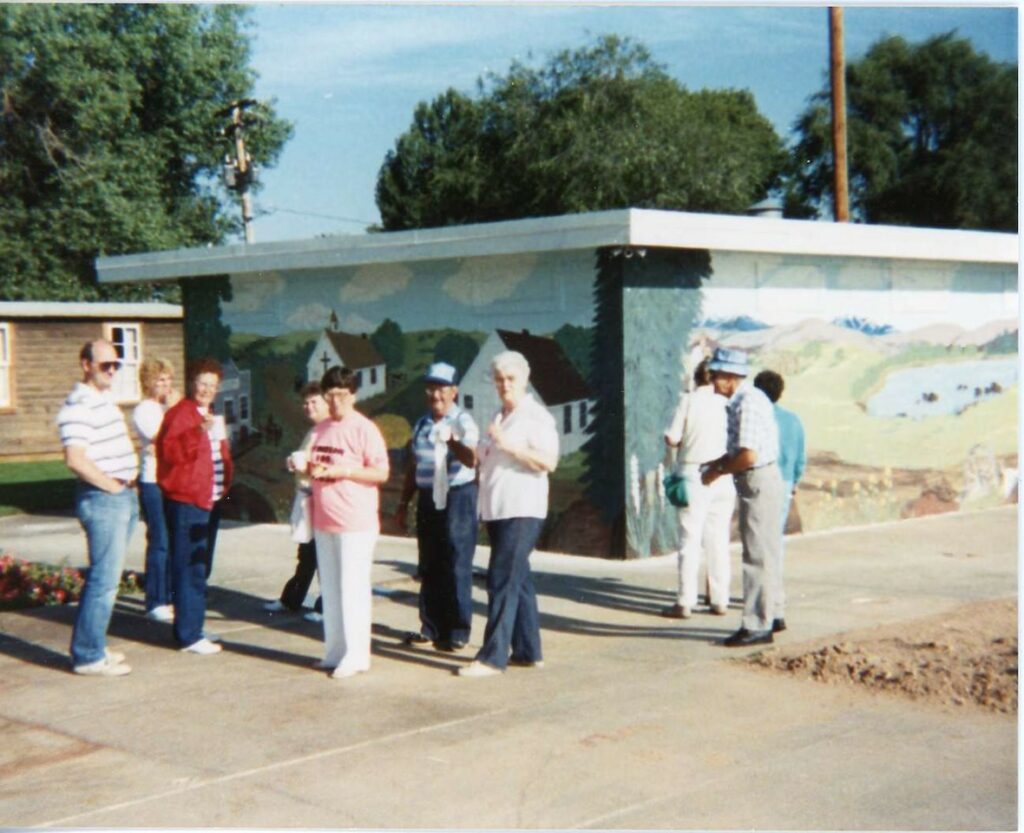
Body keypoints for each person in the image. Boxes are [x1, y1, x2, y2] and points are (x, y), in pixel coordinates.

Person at [459, 350, 558, 678]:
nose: (505, 385)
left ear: (525, 379)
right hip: (498, 509)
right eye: (499, 379)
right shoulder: (499, 417)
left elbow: (548, 461)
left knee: (501, 578)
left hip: (523, 508)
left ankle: (491, 657)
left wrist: (508, 446)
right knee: (519, 579)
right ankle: (529, 651)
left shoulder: (536, 417)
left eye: (511, 378)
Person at [58, 340, 140, 677]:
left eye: (115, 364)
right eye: (105, 364)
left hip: (121, 496)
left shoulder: (102, 400)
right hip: (104, 499)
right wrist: (111, 486)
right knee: (104, 580)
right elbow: (75, 459)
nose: (111, 370)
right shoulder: (78, 406)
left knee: (108, 578)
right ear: (86, 365)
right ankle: (89, 656)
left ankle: (93, 644)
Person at [306, 366, 389, 679]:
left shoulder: (364, 428)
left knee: (352, 588)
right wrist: (303, 465)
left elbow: (381, 473)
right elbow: (313, 462)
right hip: (324, 518)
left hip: (355, 521)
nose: (336, 401)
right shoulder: (320, 429)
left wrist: (343, 472)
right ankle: (335, 651)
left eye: (341, 395)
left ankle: (357, 656)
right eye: (330, 395)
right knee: (330, 588)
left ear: (353, 395)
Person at [701, 347, 782, 648]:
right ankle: (773, 613)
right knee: (768, 552)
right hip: (765, 479)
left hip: (756, 480)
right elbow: (743, 450)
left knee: (757, 555)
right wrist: (719, 463)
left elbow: (748, 456)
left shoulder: (746, 403)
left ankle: (758, 624)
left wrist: (718, 470)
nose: (712, 382)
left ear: (731, 377)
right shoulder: (751, 399)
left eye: (716, 375)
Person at [396, 362, 479, 652]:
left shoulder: (463, 421)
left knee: (457, 561)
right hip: (429, 498)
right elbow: (413, 466)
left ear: (454, 391)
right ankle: (430, 627)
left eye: (442, 388)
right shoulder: (421, 424)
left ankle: (458, 630)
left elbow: (472, 459)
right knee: (429, 562)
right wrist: (404, 502)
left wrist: (452, 440)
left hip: (458, 497)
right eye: (431, 388)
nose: (436, 395)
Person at [156, 358, 233, 656]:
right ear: (192, 383)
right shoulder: (181, 415)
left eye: (212, 385)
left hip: (208, 501)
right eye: (202, 383)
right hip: (187, 502)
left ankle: (191, 626)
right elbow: (170, 454)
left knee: (200, 567)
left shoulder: (207, 414)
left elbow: (216, 455)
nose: (207, 390)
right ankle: (189, 635)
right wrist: (197, 431)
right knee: (190, 568)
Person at [661, 358, 736, 619]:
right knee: (718, 541)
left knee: (689, 540)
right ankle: (720, 599)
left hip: (693, 473)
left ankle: (685, 601)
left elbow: (672, 437)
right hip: (723, 475)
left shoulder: (688, 400)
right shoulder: (728, 403)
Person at [264, 382, 329, 622]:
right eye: (305, 402)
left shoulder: (328, 431)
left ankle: (325, 608)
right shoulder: (314, 431)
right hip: (308, 500)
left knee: (322, 556)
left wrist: (305, 465)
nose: (308, 406)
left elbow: (325, 466)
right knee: (308, 553)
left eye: (314, 402)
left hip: (321, 501)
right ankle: (291, 599)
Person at [753, 370, 806, 634]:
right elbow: (800, 457)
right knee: (775, 546)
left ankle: (773, 609)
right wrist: (794, 482)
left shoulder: (760, 420)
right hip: (785, 484)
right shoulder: (793, 420)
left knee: (764, 549)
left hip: (765, 482)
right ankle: (776, 605)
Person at [132, 357, 180, 624]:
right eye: (160, 380)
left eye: (168, 380)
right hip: (152, 480)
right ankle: (155, 600)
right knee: (159, 540)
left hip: (172, 480)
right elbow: (164, 440)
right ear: (149, 383)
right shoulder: (145, 409)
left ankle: (171, 595)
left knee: (173, 539)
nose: (165, 385)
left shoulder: (167, 409)